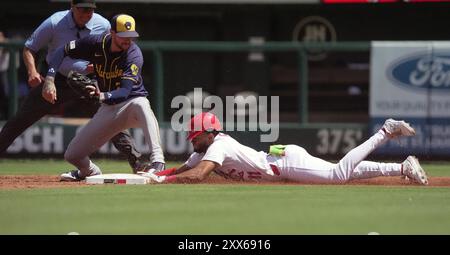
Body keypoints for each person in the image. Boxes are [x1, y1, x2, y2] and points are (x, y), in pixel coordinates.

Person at [0, 0, 155, 173]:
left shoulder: (103, 24)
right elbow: (30, 48)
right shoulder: (55, 22)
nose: (87, 13)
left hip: (89, 81)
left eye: (90, 9)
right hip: (58, 79)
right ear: (72, 7)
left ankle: (137, 162)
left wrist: (100, 69)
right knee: (21, 118)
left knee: (112, 119)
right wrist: (33, 72)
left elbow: (115, 53)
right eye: (82, 9)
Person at [140, 112, 429, 186]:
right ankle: (402, 167)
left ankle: (385, 131)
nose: (192, 140)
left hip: (285, 164)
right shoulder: (203, 150)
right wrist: (157, 173)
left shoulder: (219, 145)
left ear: (208, 133)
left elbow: (198, 176)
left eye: (195, 136)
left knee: (338, 175)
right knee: (338, 173)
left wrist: (164, 181)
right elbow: (184, 169)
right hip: (279, 159)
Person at [44, 13, 165, 181]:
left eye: (131, 36)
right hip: (108, 108)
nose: (127, 40)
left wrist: (100, 95)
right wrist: (50, 79)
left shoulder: (134, 55)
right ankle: (89, 171)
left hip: (130, 104)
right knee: (73, 155)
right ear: (112, 33)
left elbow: (124, 91)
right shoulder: (95, 43)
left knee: (142, 104)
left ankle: (158, 161)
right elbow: (60, 51)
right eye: (123, 36)